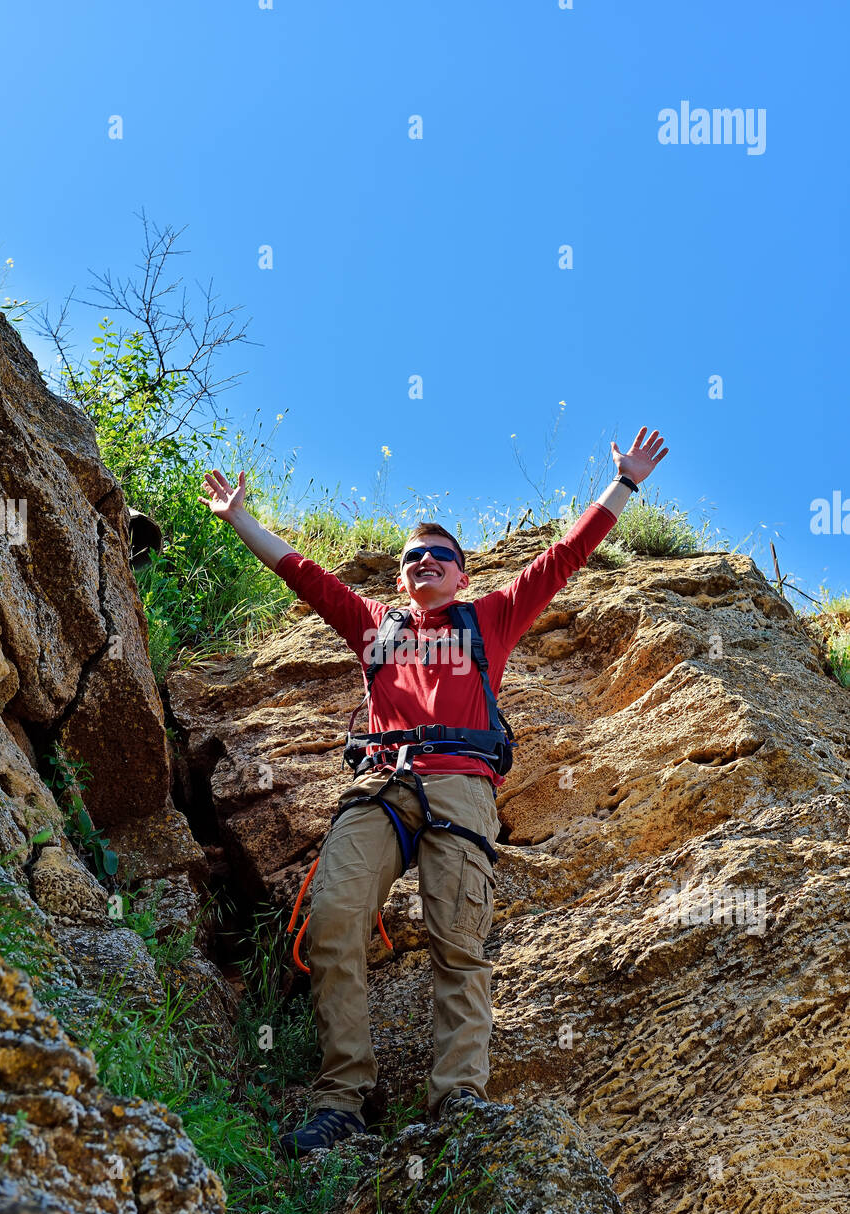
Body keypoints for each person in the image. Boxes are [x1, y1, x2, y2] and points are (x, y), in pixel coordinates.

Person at [199, 427, 669, 1155]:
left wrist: (625, 484)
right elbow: (301, 572)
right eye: (411, 558)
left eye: (437, 558)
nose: (423, 563)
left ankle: (457, 1106)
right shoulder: (372, 628)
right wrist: (237, 519)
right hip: (381, 785)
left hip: (460, 786)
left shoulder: (491, 618)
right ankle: (343, 1098)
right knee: (332, 921)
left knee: (458, 941)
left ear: (461, 574)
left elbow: (566, 556)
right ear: (400, 580)